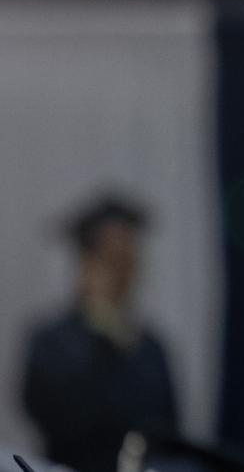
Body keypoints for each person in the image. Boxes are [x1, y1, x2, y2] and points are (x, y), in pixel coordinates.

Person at [22, 194, 178, 472]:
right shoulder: (50, 342)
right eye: (113, 260)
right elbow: (59, 419)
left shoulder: (150, 345)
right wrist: (102, 338)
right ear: (86, 264)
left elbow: (166, 429)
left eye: (129, 261)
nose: (124, 275)